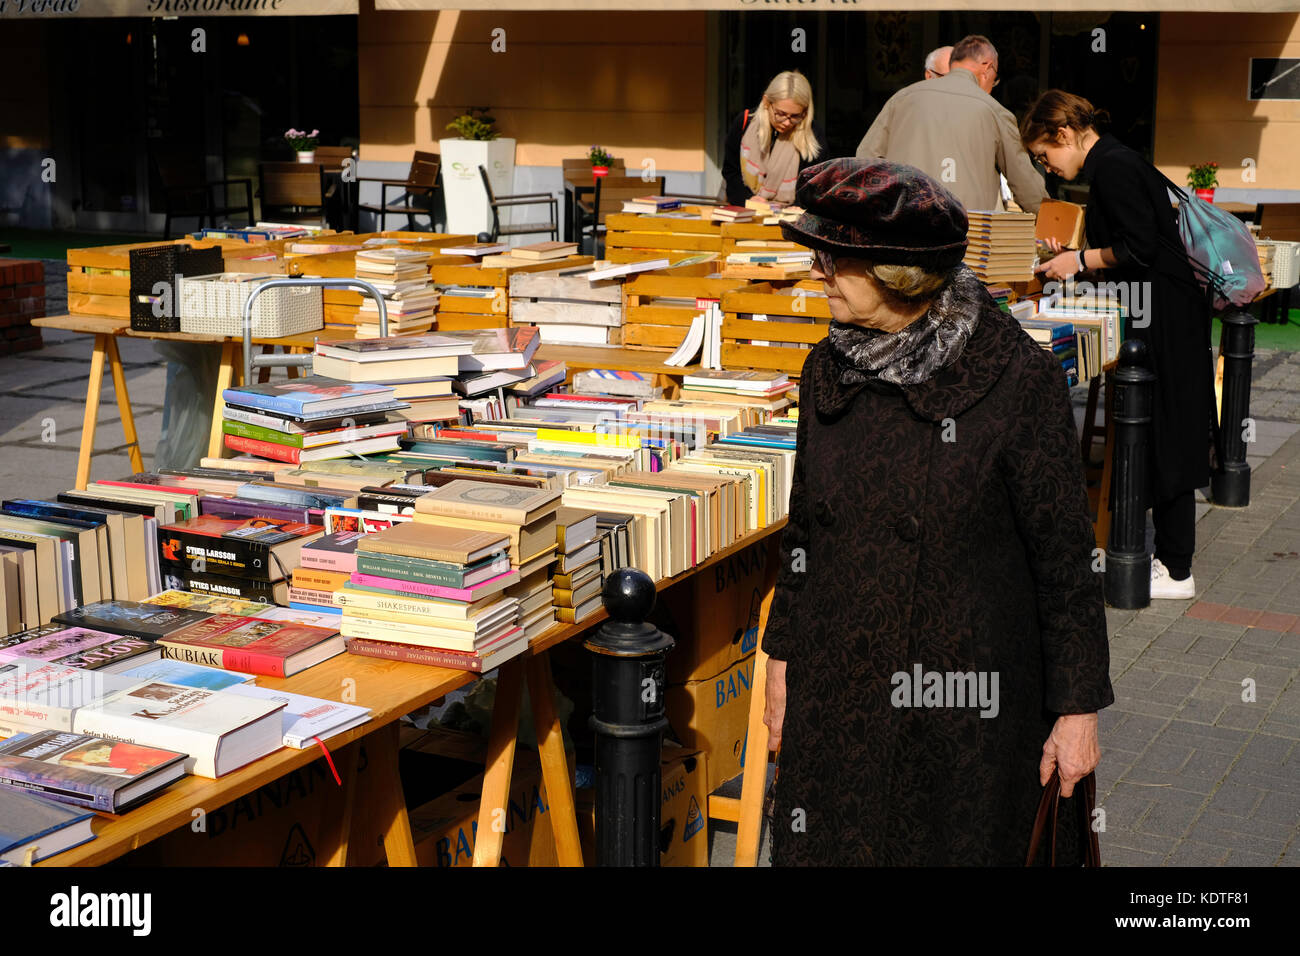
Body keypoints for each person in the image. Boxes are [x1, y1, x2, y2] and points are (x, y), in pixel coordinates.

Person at [761, 157, 1113, 866]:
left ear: (897, 273)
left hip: (963, 716)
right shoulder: (828, 367)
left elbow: (1066, 563)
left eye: (834, 258)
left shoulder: (1014, 379)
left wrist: (1077, 713)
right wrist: (780, 658)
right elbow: (804, 532)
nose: (817, 270)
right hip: (839, 696)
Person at [1023, 91, 1214, 599]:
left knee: (1167, 432)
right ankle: (1169, 561)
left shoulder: (1111, 167)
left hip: (1165, 320)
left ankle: (1175, 570)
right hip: (1166, 314)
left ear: (1062, 134)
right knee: (1163, 430)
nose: (1048, 168)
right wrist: (1079, 258)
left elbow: (1139, 248)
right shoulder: (1116, 161)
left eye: (1044, 155)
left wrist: (1078, 262)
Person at [856, 34, 1047, 214]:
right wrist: (1056, 225)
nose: (992, 87)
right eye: (994, 79)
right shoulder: (995, 111)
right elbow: (1026, 187)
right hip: (963, 233)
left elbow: (866, 159)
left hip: (901, 226)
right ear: (987, 68)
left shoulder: (902, 98)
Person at [721, 70, 825, 207]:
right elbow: (730, 171)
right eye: (781, 114)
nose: (787, 122)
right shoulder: (744, 122)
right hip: (744, 210)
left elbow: (816, 185)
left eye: (795, 116)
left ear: (805, 112)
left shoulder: (812, 134)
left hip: (790, 218)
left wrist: (798, 208)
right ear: (766, 102)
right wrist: (747, 199)